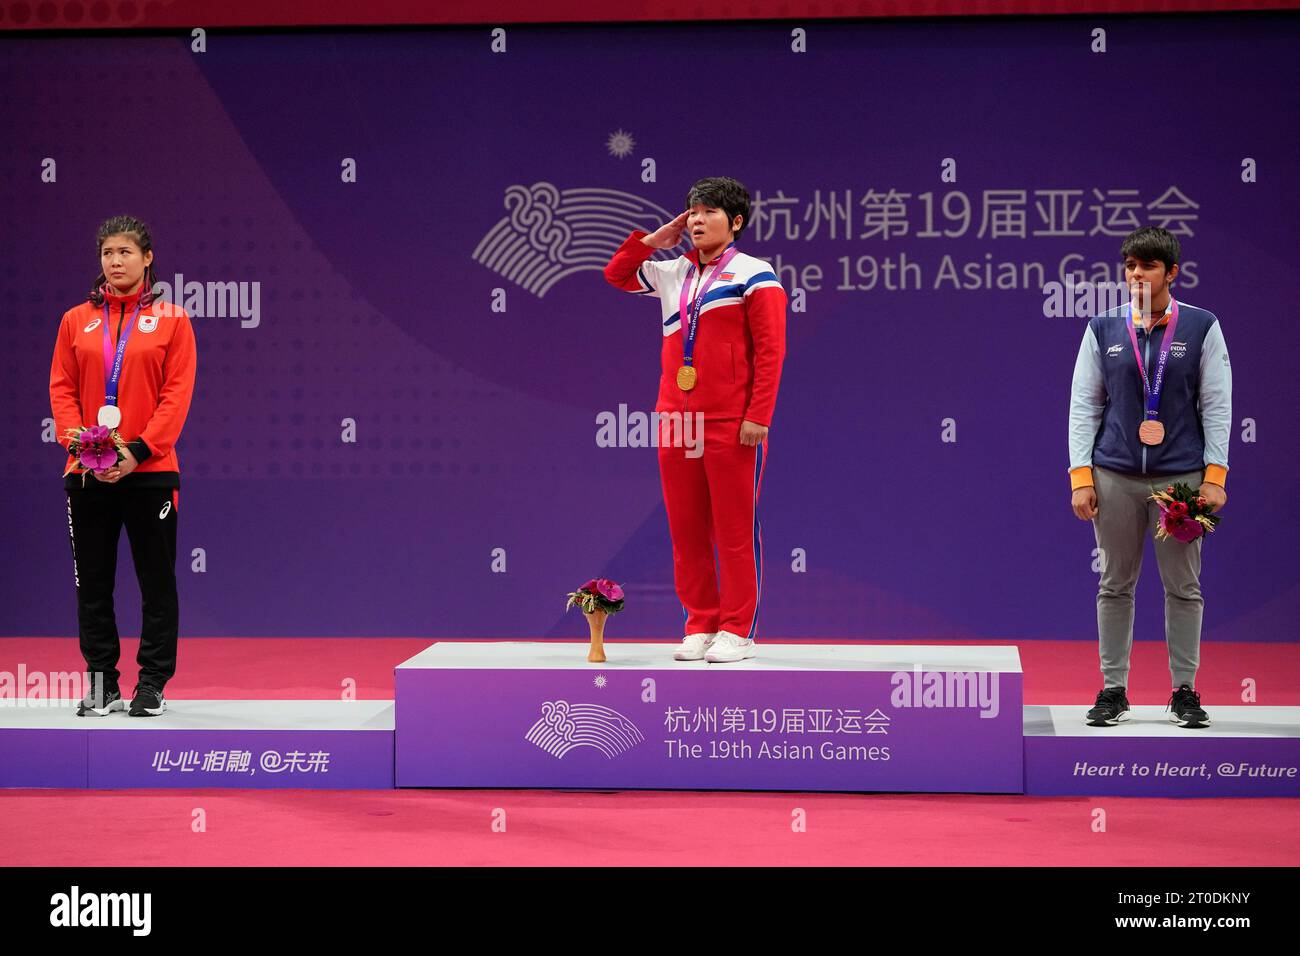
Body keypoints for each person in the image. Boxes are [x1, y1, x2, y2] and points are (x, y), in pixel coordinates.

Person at [604, 177, 787, 663]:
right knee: (686, 530)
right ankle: (701, 622)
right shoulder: (673, 272)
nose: (697, 220)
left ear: (737, 222)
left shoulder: (755, 274)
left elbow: (771, 351)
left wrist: (758, 415)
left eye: (709, 212)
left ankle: (737, 630)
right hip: (676, 422)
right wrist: (651, 242)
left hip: (731, 421)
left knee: (733, 528)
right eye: (692, 212)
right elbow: (617, 275)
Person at [1068, 226, 1230, 728]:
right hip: (1114, 474)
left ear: (1171, 272)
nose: (1137, 274)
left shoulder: (1202, 327)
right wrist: (1081, 476)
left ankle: (1184, 691)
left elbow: (1217, 406)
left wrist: (1215, 475)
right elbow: (1084, 406)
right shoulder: (1103, 328)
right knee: (1115, 585)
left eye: (1148, 266)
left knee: (1184, 587)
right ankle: (1113, 690)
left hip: (1180, 478)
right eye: (1131, 266)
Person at [49, 215, 197, 717]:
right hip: (88, 473)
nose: (115, 262)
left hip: (151, 472)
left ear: (147, 257)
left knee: (156, 580)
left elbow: (176, 397)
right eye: (108, 253)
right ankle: (101, 683)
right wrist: (86, 450)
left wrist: (136, 451)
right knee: (92, 582)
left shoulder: (173, 320)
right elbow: (62, 390)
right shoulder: (75, 321)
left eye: (125, 252)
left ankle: (152, 683)